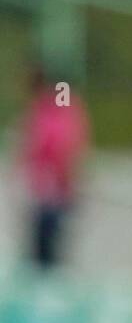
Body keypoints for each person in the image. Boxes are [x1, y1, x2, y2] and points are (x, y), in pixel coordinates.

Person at [18, 66, 90, 268]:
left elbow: (61, 144)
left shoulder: (55, 103)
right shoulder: (44, 106)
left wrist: (65, 180)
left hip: (54, 190)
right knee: (43, 250)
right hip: (46, 189)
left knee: (48, 250)